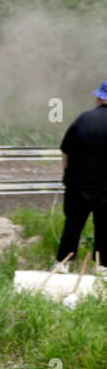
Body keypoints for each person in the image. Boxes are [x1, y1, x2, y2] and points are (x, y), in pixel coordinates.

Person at [55, 80, 107, 270]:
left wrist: (66, 174)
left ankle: (62, 264)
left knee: (73, 225)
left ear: (100, 98)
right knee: (104, 228)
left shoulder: (83, 119)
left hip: (78, 186)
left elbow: (66, 150)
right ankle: (102, 269)